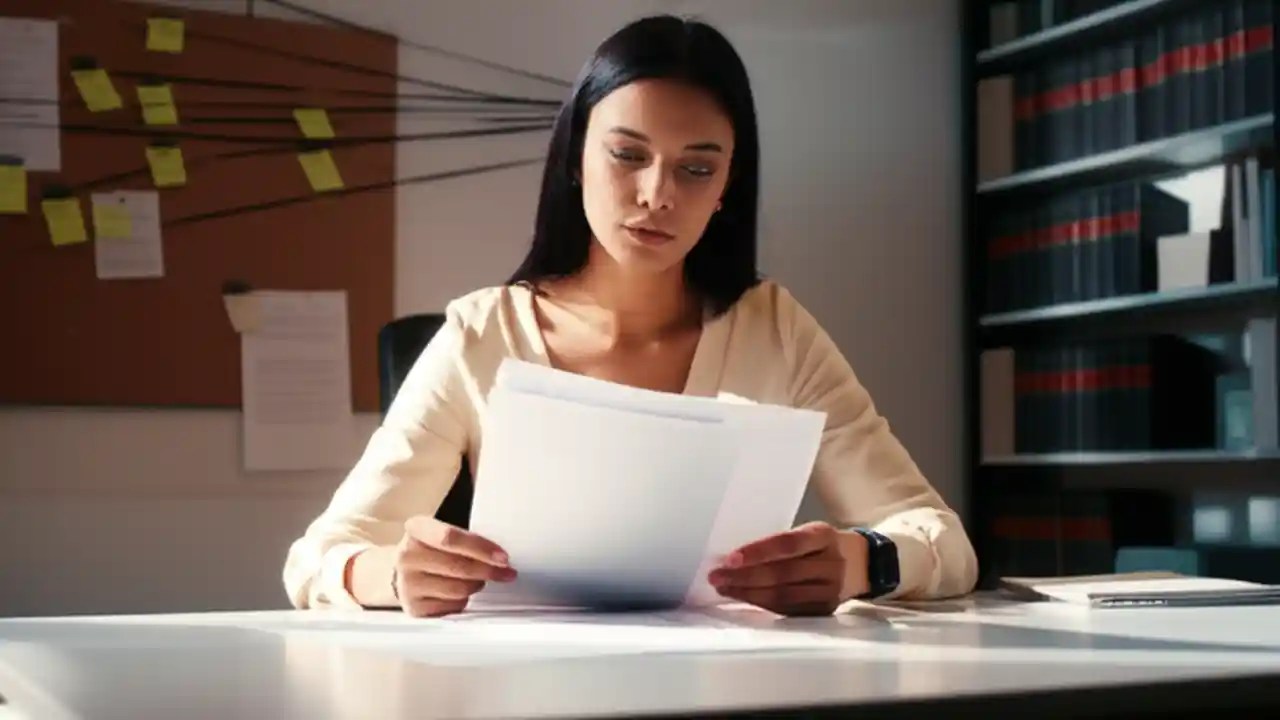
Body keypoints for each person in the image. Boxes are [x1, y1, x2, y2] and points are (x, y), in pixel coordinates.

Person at [283, 14, 977, 618]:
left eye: (696, 169)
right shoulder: (483, 336)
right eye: (627, 155)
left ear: (728, 185)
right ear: (577, 158)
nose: (657, 194)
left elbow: (943, 541)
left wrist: (866, 561)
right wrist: (390, 574)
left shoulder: (775, 331)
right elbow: (318, 558)